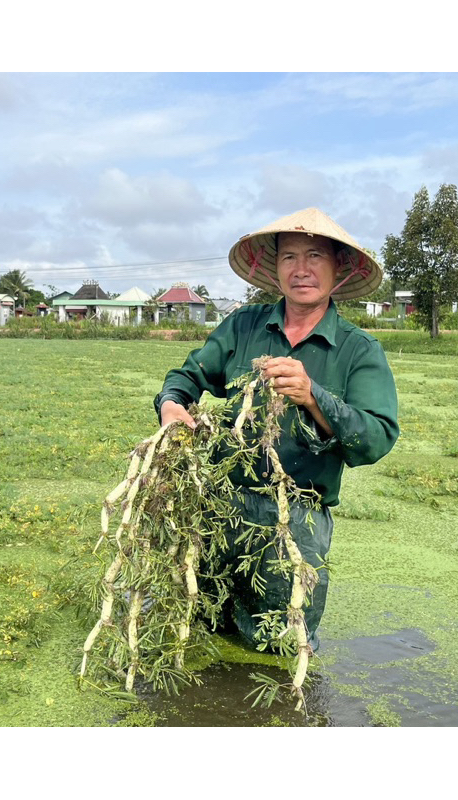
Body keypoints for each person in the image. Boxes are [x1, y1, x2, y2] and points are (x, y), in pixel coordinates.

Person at [153, 207, 399, 651]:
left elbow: (376, 437)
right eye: (289, 257)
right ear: (276, 267)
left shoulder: (358, 350)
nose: (301, 269)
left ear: (338, 267)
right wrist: (172, 405)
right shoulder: (243, 326)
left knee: (280, 647)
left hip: (296, 519)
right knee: (195, 629)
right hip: (216, 509)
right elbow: (188, 376)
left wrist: (313, 396)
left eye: (315, 256)